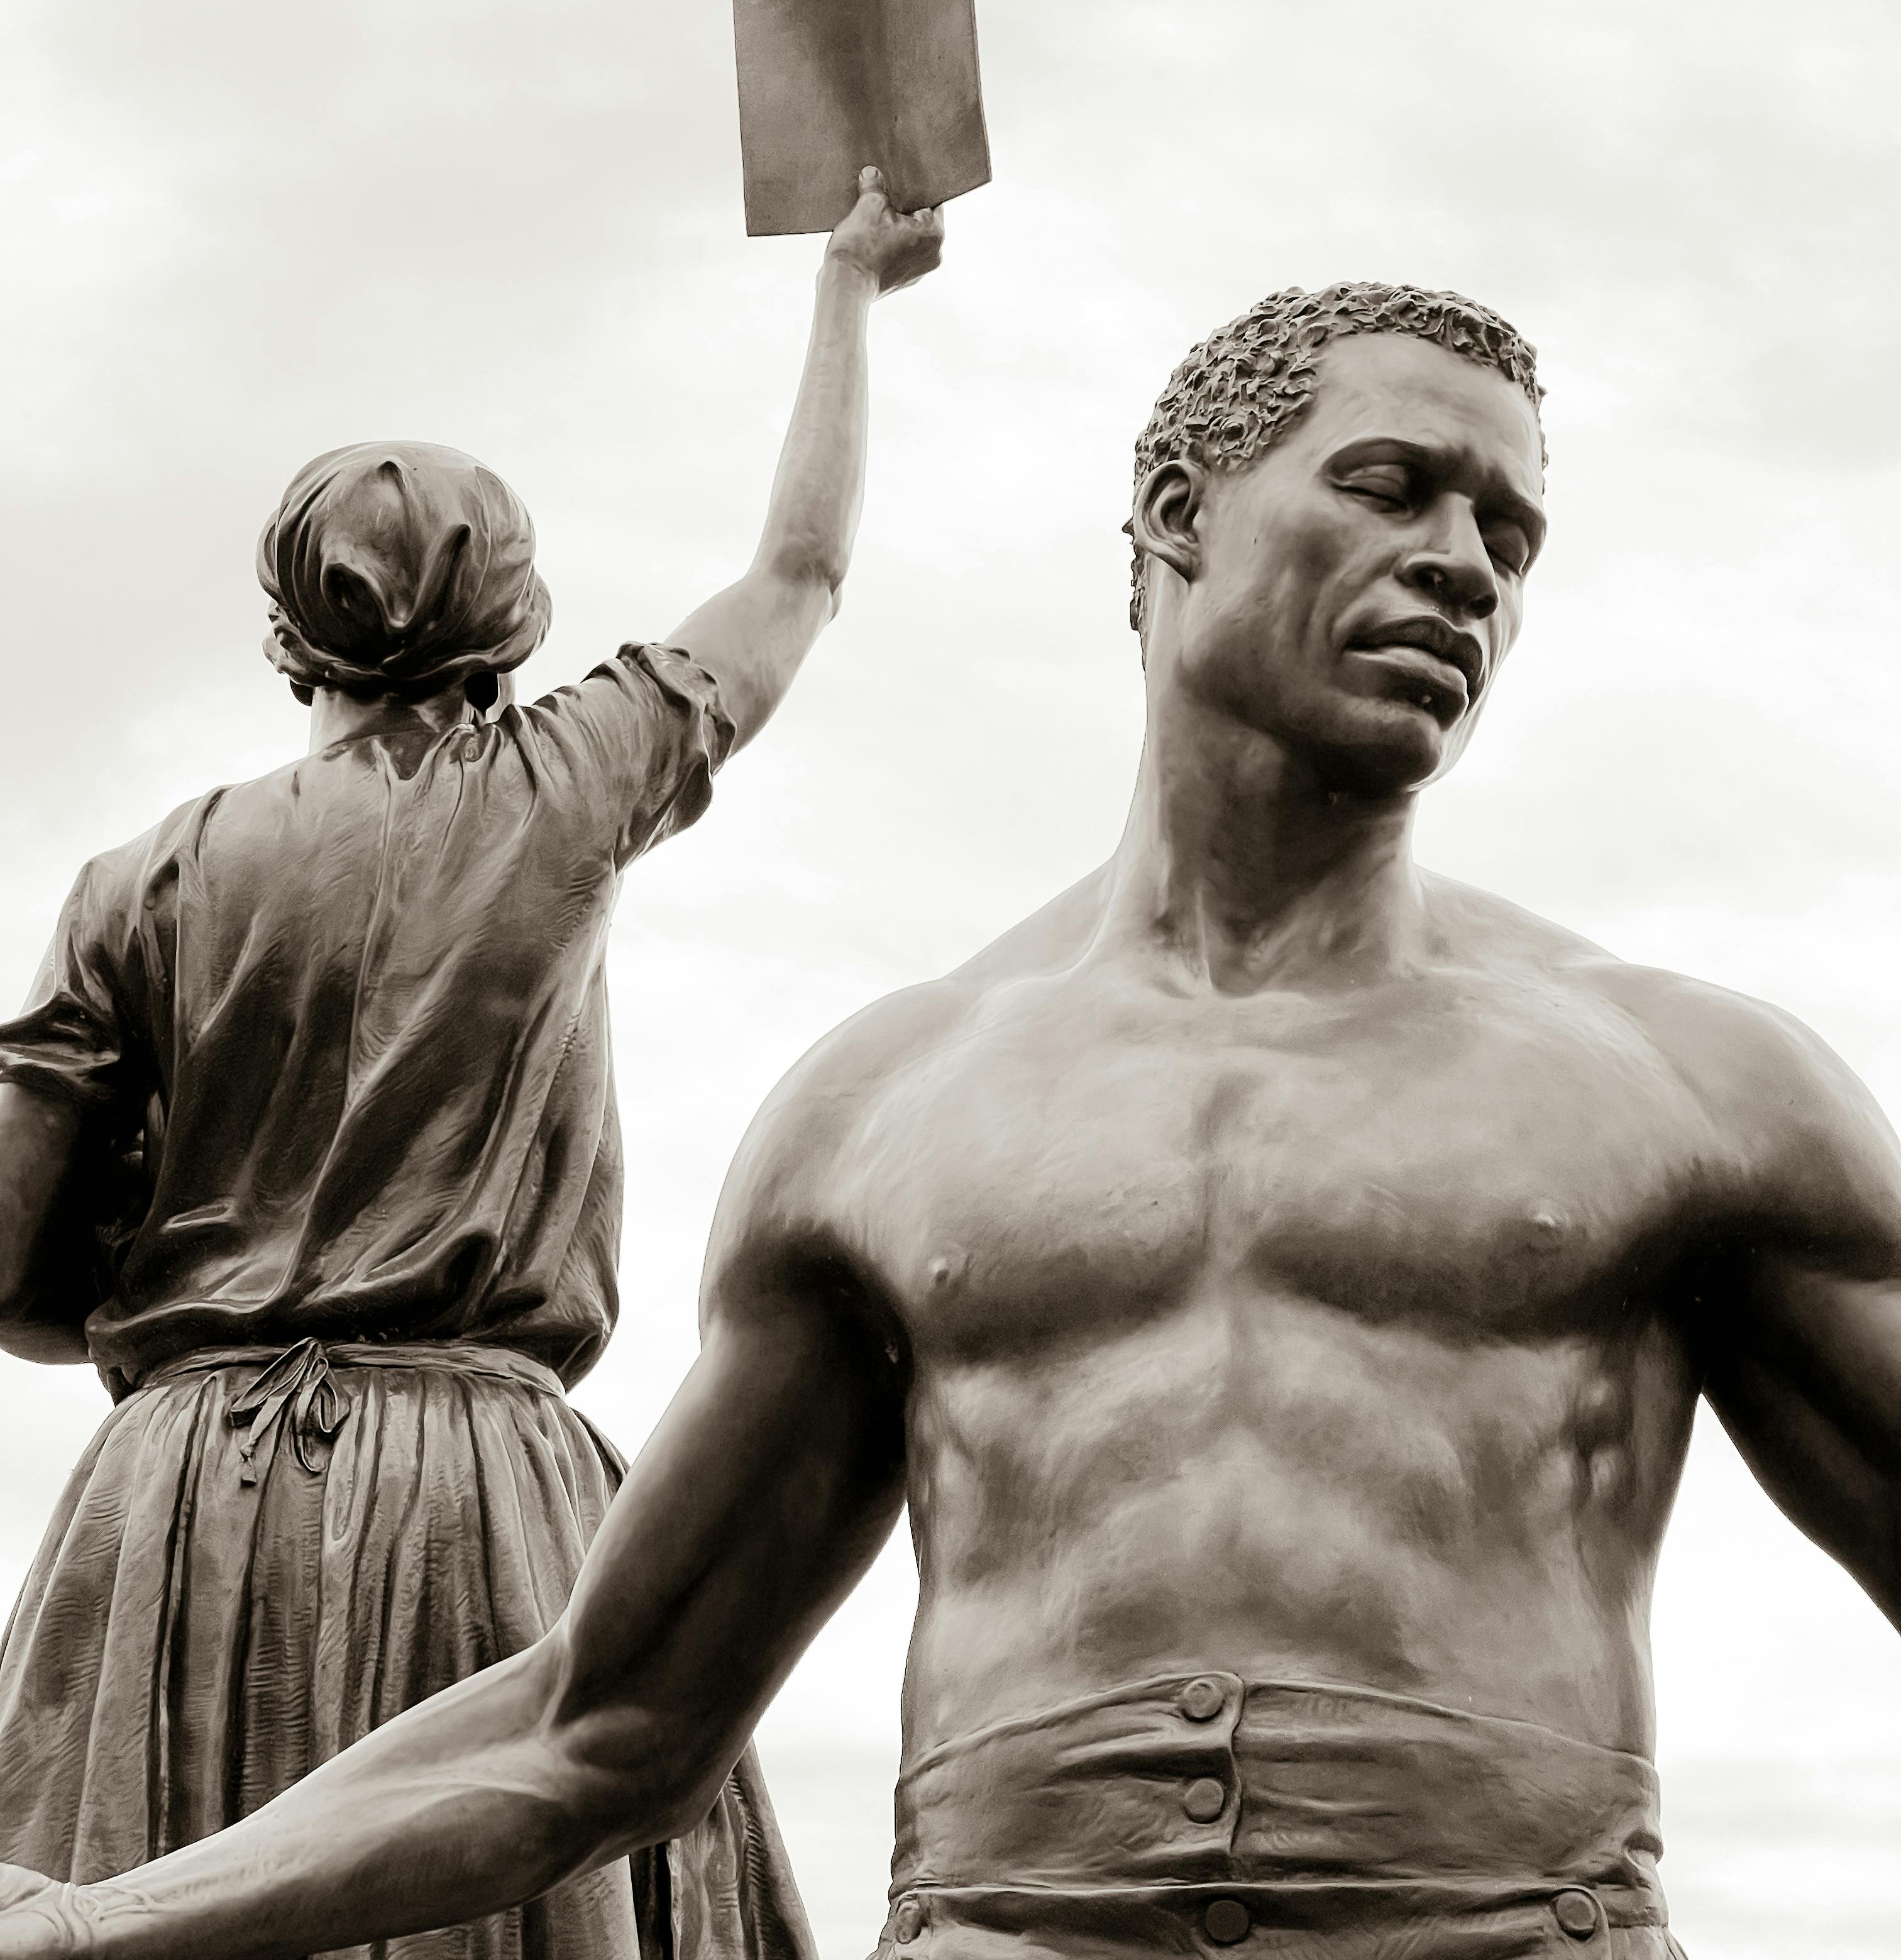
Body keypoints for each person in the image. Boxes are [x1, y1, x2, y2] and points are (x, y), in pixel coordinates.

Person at [4, 277, 1900, 1960]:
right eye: (1394, 486)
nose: (1471, 567)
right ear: (1177, 517)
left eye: (1513, 533)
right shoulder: (882, 1115)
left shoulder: (1691, 1086)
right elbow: (600, 1723)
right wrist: (102, 1919)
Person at [0, 168, 943, 1960]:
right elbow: (799, 576)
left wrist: (169, 1300)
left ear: (289, 635)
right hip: (478, 1493)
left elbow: (8, 1272)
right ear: (512, 631)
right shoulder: (566, 788)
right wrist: (849, 287)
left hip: (176, 1511)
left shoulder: (137, 883)